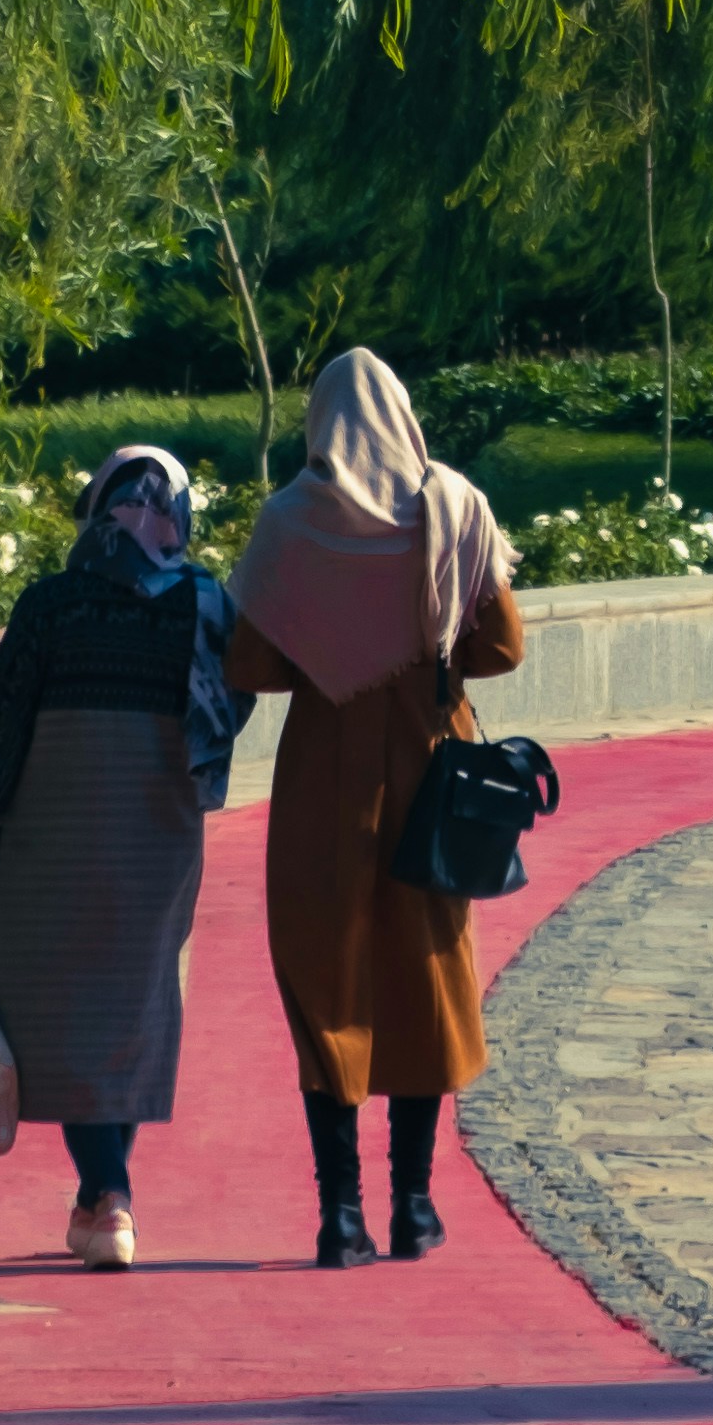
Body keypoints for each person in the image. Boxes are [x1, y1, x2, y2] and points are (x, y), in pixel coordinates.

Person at [222, 349, 521, 1267]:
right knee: (424, 976)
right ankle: (414, 1204)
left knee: (329, 978)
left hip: (325, 774)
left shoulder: (289, 523)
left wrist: (331, 642)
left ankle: (339, 1212)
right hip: (434, 767)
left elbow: (249, 668)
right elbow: (501, 646)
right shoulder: (458, 505)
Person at [0, 444, 238, 1269]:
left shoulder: (48, 605)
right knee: (130, 1013)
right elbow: (232, 706)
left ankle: (109, 1194)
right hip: (157, 840)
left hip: (52, 842)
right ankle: (100, 1198)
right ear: (175, 512)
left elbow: (0, 729)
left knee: (62, 1020)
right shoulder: (206, 605)